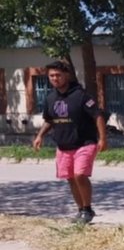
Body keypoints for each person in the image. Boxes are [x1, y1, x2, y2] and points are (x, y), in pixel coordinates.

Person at [32, 60, 108, 224]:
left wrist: (102, 138)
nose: (55, 78)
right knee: (71, 178)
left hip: (84, 143)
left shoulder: (81, 95)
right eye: (51, 76)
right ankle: (81, 210)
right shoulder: (50, 98)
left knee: (79, 175)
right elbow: (49, 120)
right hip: (63, 146)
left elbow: (98, 115)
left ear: (67, 75)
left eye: (58, 75)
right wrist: (40, 136)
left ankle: (88, 209)